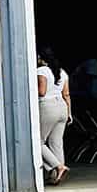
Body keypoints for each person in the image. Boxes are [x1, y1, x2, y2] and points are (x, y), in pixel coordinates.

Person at [36, 46, 71, 184]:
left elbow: (42, 92)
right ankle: (56, 176)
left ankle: (58, 167)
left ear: (41, 57)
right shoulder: (63, 72)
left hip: (48, 106)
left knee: (37, 142)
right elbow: (66, 94)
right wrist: (69, 113)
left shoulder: (41, 71)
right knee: (56, 142)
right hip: (62, 106)